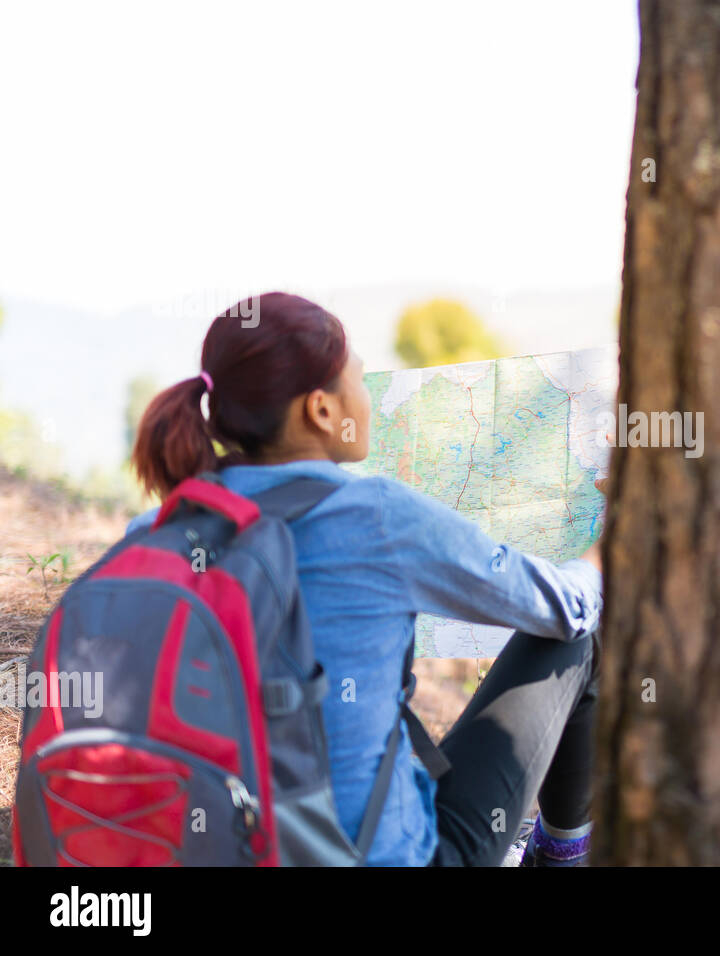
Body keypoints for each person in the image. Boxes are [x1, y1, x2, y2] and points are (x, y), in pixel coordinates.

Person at [127, 291, 603, 866]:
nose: (367, 395)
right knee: (579, 632)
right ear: (322, 410)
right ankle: (563, 857)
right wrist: (612, 540)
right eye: (356, 375)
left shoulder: (152, 531)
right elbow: (564, 605)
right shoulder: (375, 516)